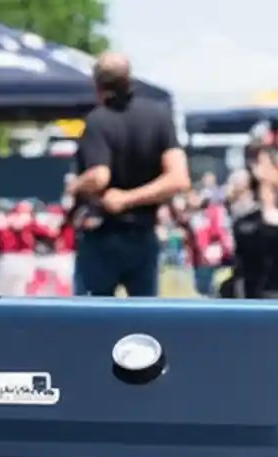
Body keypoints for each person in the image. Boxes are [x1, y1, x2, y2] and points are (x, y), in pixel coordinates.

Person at [67, 52, 190, 297]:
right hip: (144, 234)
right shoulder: (159, 117)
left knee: (90, 317)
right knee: (143, 319)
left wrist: (76, 186)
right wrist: (134, 198)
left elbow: (99, 176)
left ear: (97, 84)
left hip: (102, 236)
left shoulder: (97, 121)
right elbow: (179, 179)